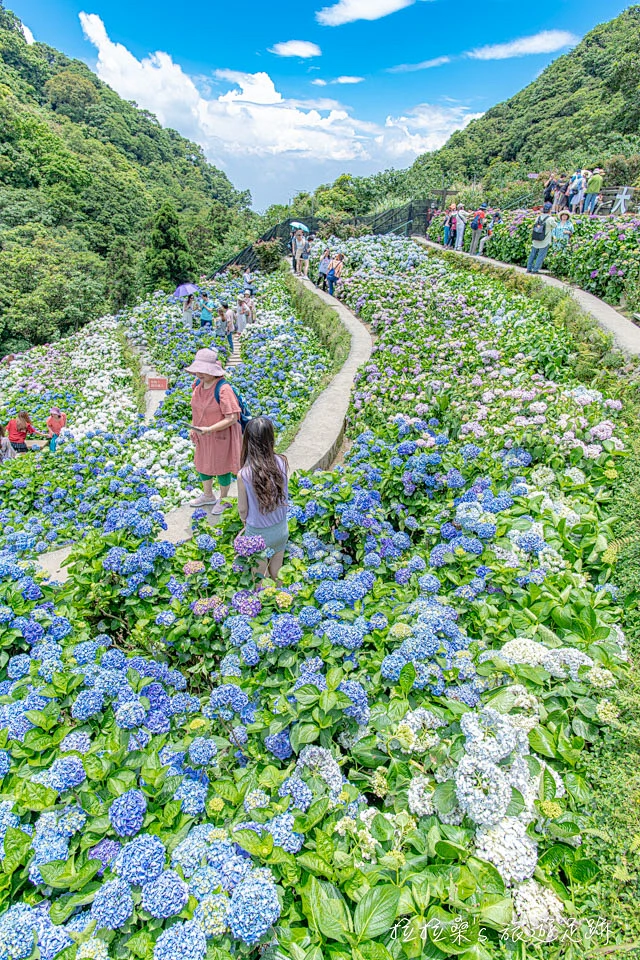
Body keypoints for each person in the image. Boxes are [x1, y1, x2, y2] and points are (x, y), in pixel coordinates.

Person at [186, 348, 241, 515]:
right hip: (203, 435)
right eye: (197, 370)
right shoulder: (197, 385)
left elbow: (232, 417)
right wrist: (193, 426)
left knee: (221, 467)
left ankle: (224, 499)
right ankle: (208, 495)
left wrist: (209, 429)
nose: (198, 374)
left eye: (203, 371)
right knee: (203, 464)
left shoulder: (223, 389)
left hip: (220, 435)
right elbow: (196, 408)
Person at [237, 416, 289, 582]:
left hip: (257, 535)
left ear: (248, 442)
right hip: (280, 529)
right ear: (271, 439)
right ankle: (283, 601)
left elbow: (243, 509)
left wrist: (243, 521)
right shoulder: (281, 461)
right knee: (277, 572)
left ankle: (266, 603)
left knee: (261, 577)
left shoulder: (244, 474)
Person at [526, 202, 556, 274]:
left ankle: (529, 268)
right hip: (544, 240)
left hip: (536, 238)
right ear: (550, 210)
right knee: (541, 255)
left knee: (532, 254)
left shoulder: (538, 217)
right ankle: (535, 269)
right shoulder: (550, 219)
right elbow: (555, 225)